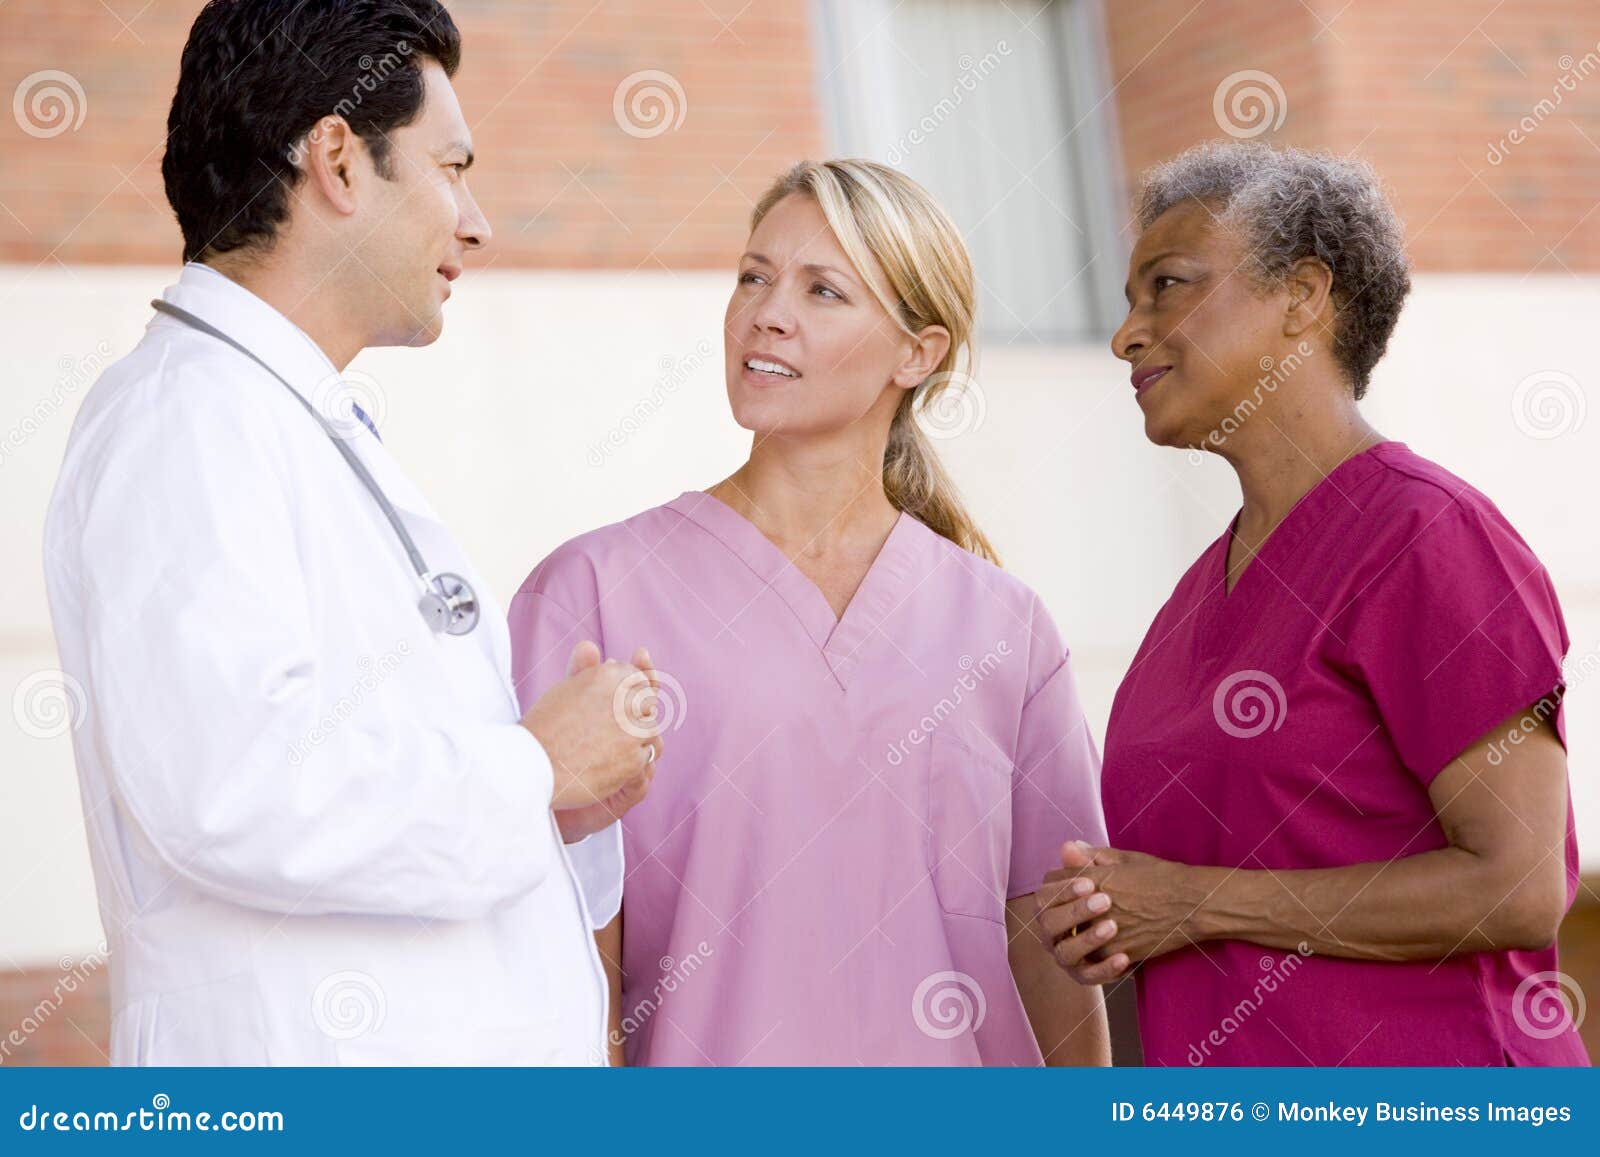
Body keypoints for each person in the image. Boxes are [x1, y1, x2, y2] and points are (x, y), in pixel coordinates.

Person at [41, 0, 658, 1065]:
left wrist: (559, 797)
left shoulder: (278, 416)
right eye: (452, 166)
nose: (477, 221)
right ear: (335, 157)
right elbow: (234, 785)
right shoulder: (188, 417)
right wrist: (532, 768)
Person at [509, 159, 1110, 1066]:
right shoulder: (591, 589)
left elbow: (1052, 941)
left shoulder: (1005, 629)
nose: (767, 312)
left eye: (822, 290)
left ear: (920, 352)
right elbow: (555, 941)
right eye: (754, 275)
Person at [1038, 140, 1589, 1066]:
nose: (1126, 333)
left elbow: (1519, 884)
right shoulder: (1190, 600)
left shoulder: (1428, 536)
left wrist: (1192, 901)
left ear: (1302, 296)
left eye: (1167, 286)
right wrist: (1108, 912)